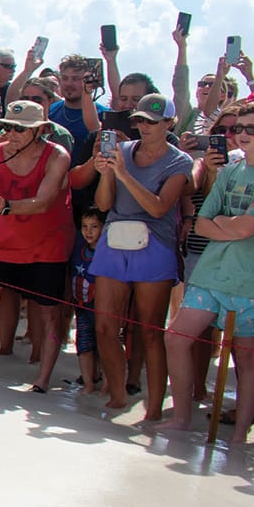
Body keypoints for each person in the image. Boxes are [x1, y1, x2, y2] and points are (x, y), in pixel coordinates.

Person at [159, 102, 254, 444]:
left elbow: (249, 226)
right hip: (211, 273)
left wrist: (227, 224)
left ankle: (239, 435)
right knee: (176, 337)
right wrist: (227, 225)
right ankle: (182, 416)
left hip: (252, 278)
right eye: (237, 129)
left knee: (246, 357)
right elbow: (203, 221)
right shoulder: (230, 169)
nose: (240, 135)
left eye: (251, 129)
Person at [0, 100, 74, 392]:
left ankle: (42, 381)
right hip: (7, 245)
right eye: (8, 127)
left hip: (49, 245)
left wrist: (6, 207)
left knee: (49, 313)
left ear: (41, 130)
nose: (13, 133)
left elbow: (43, 202)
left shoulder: (57, 155)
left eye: (21, 128)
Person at [88, 94, 192, 416]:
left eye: (152, 121)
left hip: (155, 245)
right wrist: (106, 173)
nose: (144, 126)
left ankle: (154, 410)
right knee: (104, 326)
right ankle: (118, 395)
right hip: (114, 239)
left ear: (169, 124)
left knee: (150, 332)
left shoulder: (180, 162)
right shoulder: (121, 153)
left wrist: (122, 174)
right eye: (140, 120)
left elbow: (160, 207)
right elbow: (104, 205)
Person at [70, 208, 105, 393]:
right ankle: (88, 383)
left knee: (105, 346)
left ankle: (107, 385)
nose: (88, 231)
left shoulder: (109, 252)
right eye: (84, 227)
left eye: (94, 227)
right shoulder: (78, 247)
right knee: (83, 344)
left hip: (103, 309)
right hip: (81, 306)